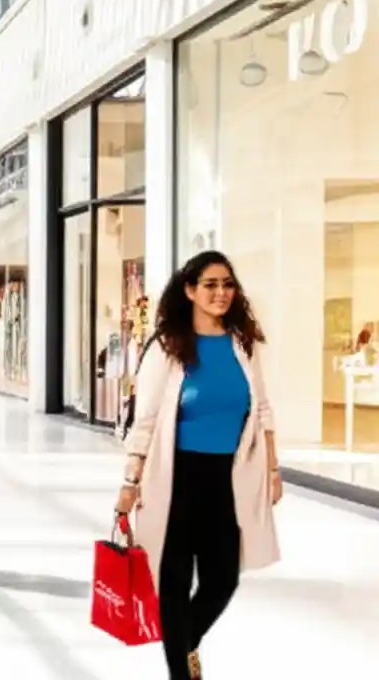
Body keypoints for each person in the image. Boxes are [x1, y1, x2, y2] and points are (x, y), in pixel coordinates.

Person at [116, 250, 281, 680]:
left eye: (227, 284)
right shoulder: (168, 347)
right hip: (174, 479)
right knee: (172, 585)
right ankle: (182, 672)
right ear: (190, 290)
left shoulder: (243, 344)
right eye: (210, 285)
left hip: (228, 478)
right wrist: (129, 482)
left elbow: (262, 410)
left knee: (222, 579)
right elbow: (147, 420)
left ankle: (182, 645)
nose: (221, 293)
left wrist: (274, 470)